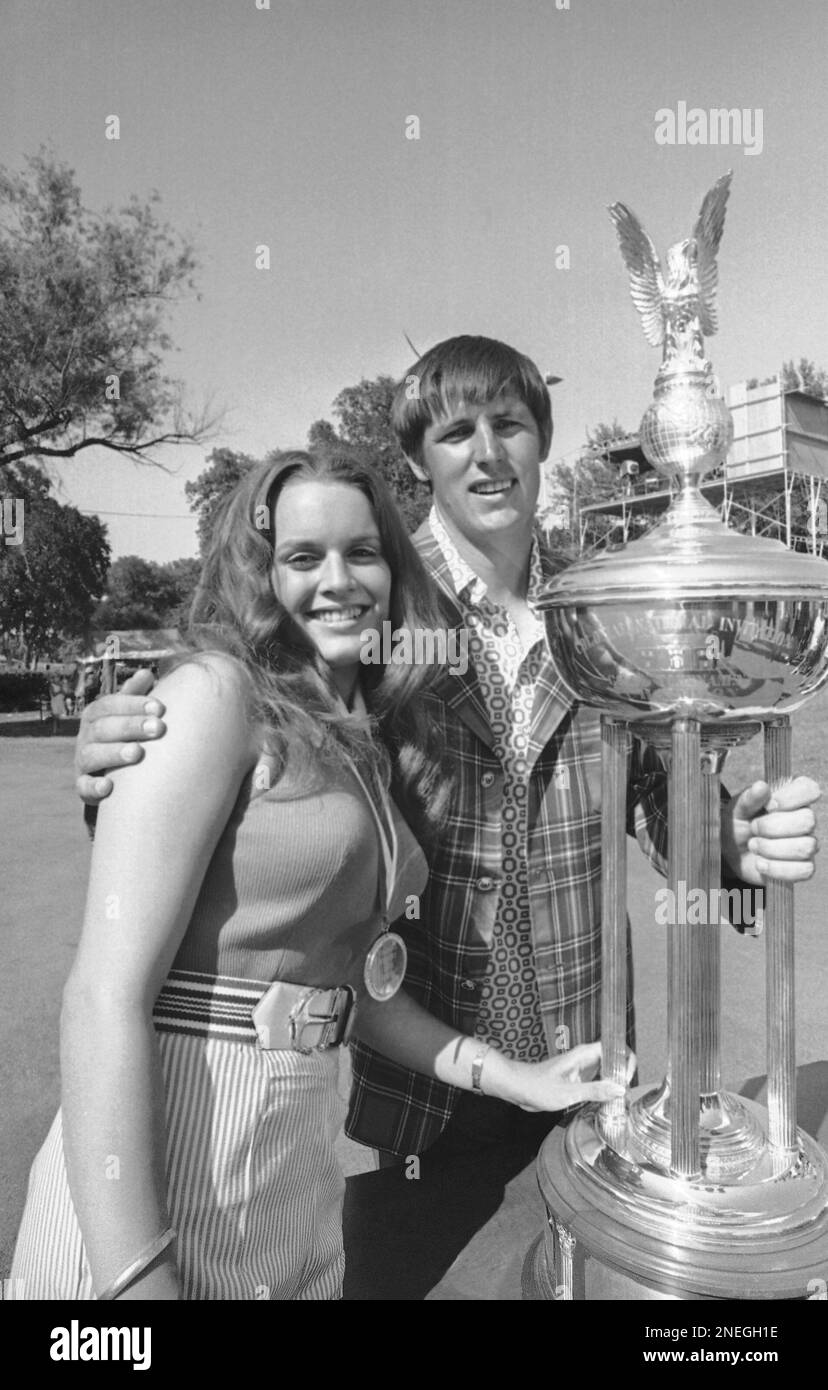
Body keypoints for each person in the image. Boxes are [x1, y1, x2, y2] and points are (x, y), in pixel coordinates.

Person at [73, 338, 821, 1295]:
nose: (486, 453)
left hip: (583, 1050)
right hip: (414, 1068)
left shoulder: (602, 607)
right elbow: (247, 733)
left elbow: (657, 796)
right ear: (419, 458)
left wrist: (731, 847)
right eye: (455, 432)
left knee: (571, 1279)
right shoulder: (369, 597)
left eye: (508, 424)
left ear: (541, 441)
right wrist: (120, 755)